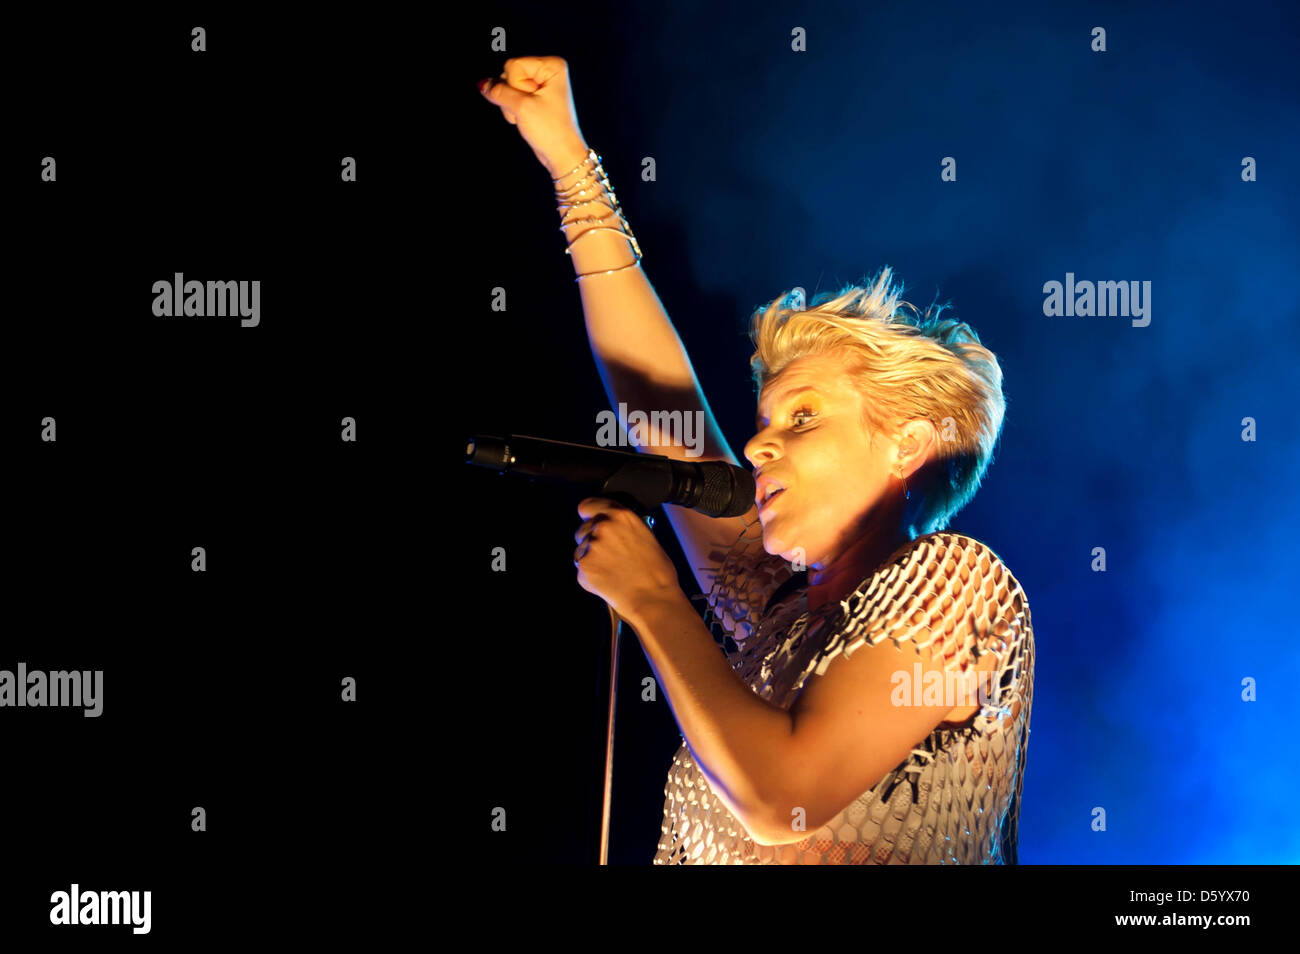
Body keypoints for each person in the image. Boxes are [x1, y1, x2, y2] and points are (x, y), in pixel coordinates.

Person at [479, 57, 1035, 864]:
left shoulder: (959, 585)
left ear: (906, 443)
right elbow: (665, 415)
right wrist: (572, 166)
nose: (754, 444)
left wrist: (655, 600)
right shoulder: (776, 620)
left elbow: (786, 797)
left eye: (803, 417)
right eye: (765, 419)